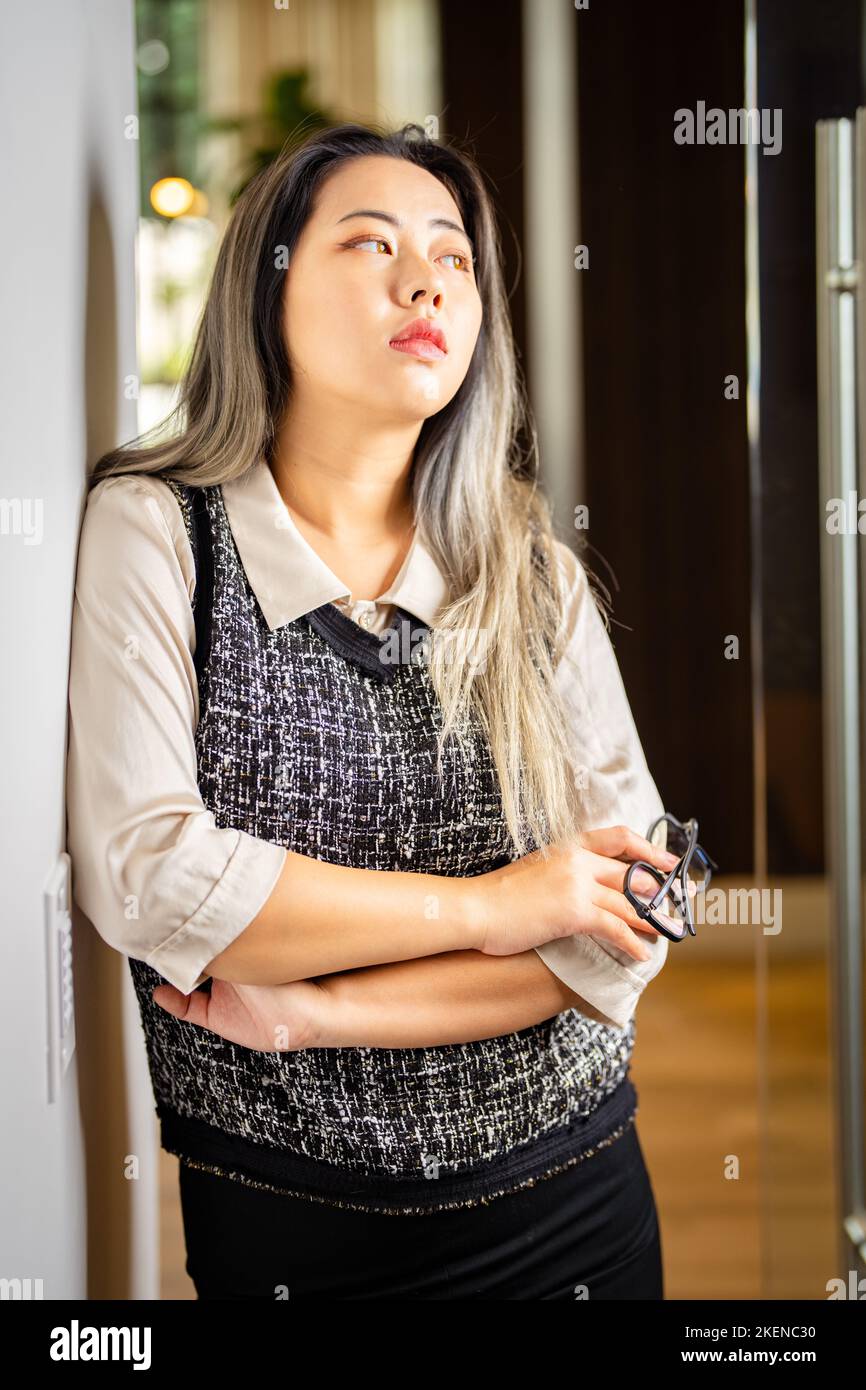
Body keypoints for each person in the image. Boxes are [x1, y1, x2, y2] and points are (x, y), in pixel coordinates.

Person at [66, 121, 678, 1300]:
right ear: (270, 281)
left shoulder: (528, 568)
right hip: (293, 1235)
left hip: (575, 1200)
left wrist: (314, 1013)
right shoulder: (159, 531)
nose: (425, 281)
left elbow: (629, 918)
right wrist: (500, 905)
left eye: (453, 258)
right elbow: (155, 879)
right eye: (370, 242)